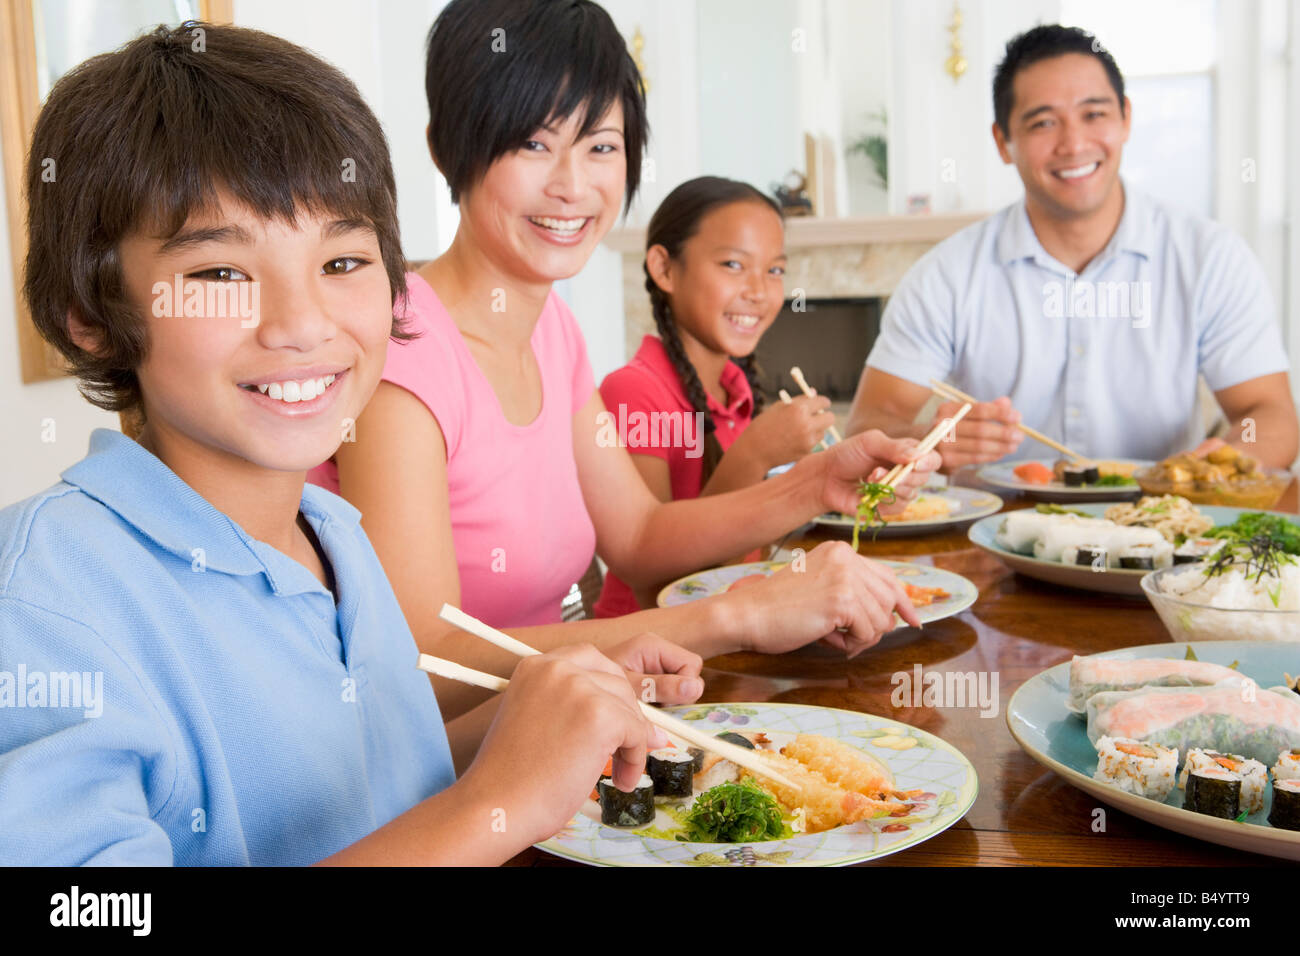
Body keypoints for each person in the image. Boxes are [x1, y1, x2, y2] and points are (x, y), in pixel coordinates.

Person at [0, 22, 702, 866]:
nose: (304, 326)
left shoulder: (331, 531)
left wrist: (550, 712)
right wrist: (497, 802)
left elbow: (376, 790)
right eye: (220, 273)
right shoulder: (42, 604)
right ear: (90, 317)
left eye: (342, 261)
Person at [314, 0, 942, 721]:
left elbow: (639, 538)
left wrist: (817, 482)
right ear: (445, 147)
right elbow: (428, 661)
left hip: (564, 735)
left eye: (600, 146)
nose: (572, 186)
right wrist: (734, 616)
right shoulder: (402, 357)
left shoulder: (553, 329)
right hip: (457, 780)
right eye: (531, 144)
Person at [847, 24, 1298, 472]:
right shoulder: (946, 274)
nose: (1074, 144)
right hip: (992, 531)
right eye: (1043, 122)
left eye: (1094, 114)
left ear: (1125, 118)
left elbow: (1269, 416)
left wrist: (1221, 467)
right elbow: (870, 423)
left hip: (1161, 527)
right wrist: (929, 439)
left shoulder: (1210, 257)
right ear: (1004, 142)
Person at [593, 176, 836, 617]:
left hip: (740, 626)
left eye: (775, 270)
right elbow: (662, 590)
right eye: (732, 265)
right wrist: (754, 455)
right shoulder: (632, 392)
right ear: (664, 268)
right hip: (650, 656)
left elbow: (748, 555)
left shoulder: (736, 389)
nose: (759, 291)